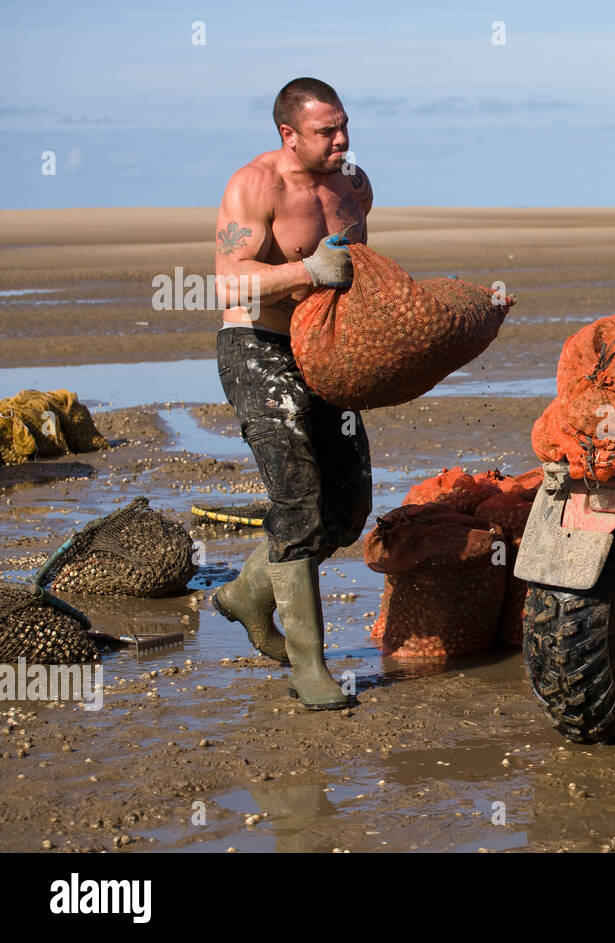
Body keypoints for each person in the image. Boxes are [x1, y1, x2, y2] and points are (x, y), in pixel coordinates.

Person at [210, 77, 373, 710]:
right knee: (298, 499)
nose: (341, 140)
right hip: (258, 349)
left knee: (347, 509)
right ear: (288, 134)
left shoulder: (354, 185)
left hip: (324, 352)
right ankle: (309, 667)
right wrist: (308, 271)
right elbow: (230, 281)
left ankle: (248, 592)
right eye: (325, 131)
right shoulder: (255, 186)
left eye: (343, 126)